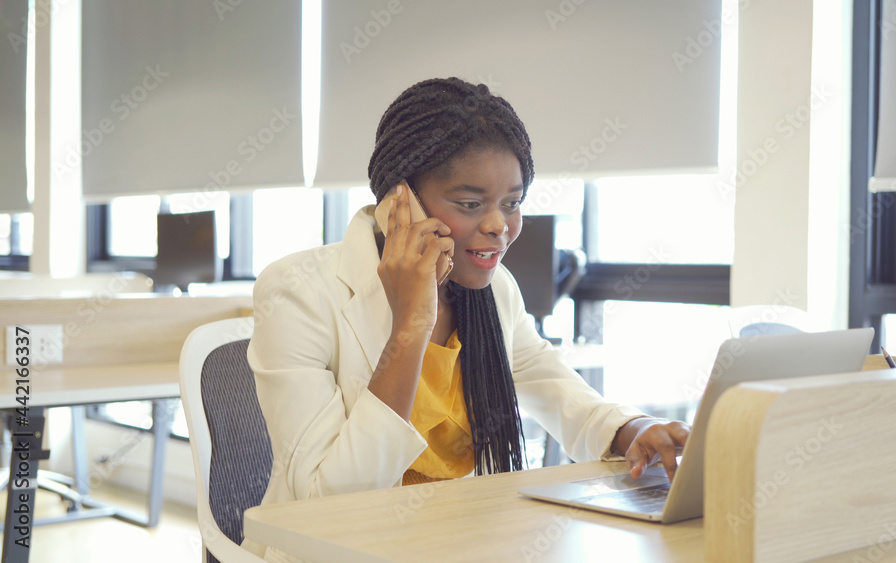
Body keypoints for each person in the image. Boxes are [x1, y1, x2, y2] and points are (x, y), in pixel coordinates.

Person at [244, 77, 689, 561]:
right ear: (399, 202)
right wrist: (412, 323)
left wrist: (634, 429)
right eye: (471, 204)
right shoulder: (299, 291)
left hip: (456, 541)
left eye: (512, 202)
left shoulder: (493, 291)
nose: (499, 225)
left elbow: (557, 388)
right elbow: (327, 501)